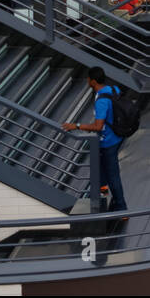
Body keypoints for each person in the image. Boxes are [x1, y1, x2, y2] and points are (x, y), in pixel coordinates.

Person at [63, 67, 127, 214]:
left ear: (93, 81)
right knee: (100, 160)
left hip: (108, 140)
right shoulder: (113, 89)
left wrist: (76, 125)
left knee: (113, 175)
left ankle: (122, 208)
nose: (87, 81)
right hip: (118, 136)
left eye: (88, 79)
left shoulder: (101, 101)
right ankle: (102, 185)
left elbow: (98, 126)